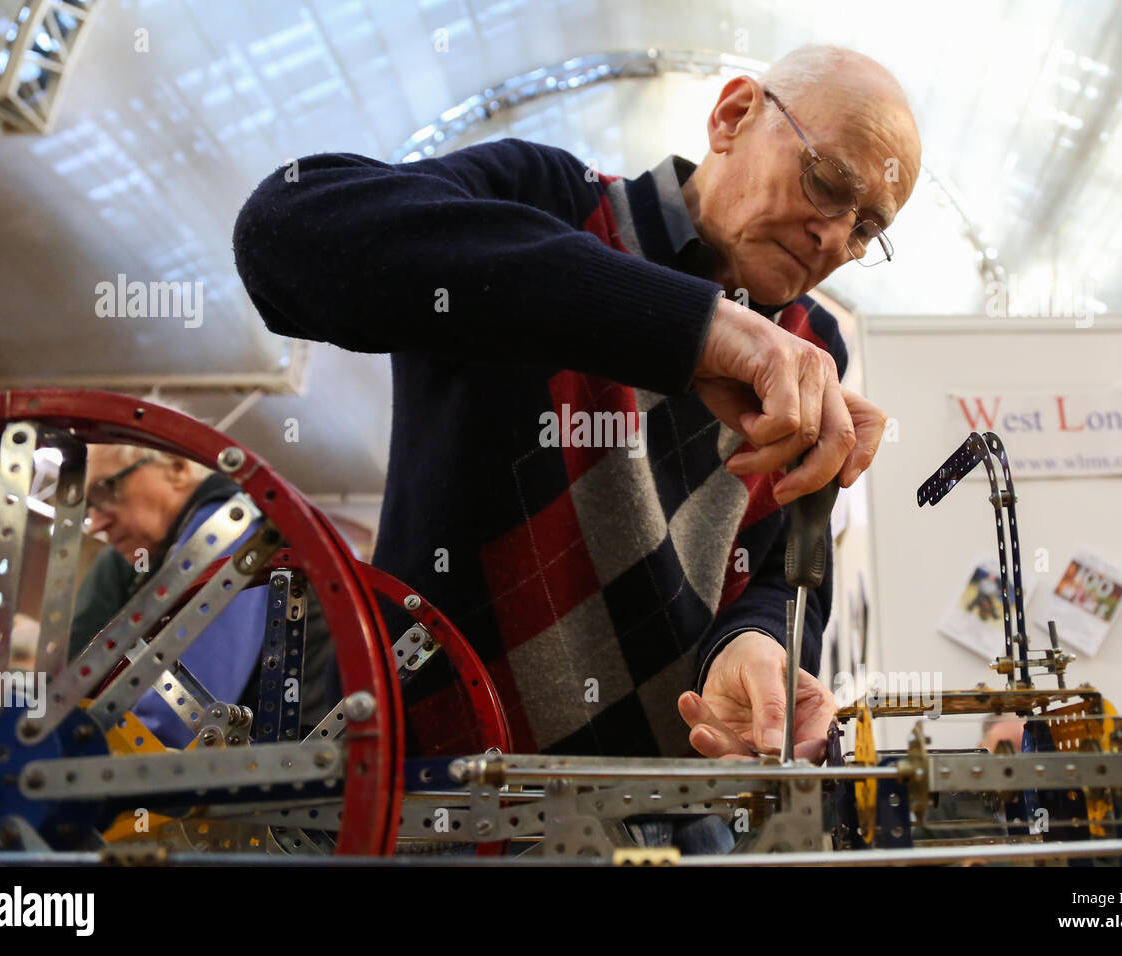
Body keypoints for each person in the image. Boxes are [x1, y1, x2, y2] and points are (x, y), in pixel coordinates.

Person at [232, 44, 921, 767]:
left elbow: (779, 565)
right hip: (441, 790)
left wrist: (753, 646)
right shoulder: (547, 200)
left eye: (868, 226)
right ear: (734, 115)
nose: (837, 238)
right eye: (827, 182)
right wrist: (693, 326)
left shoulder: (814, 342)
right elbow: (286, 228)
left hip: (670, 803)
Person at [73, 444, 334, 746]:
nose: (95, 524)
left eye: (106, 491)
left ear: (176, 468)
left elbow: (176, 725)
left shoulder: (227, 528)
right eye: (89, 507)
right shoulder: (216, 533)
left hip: (285, 773)